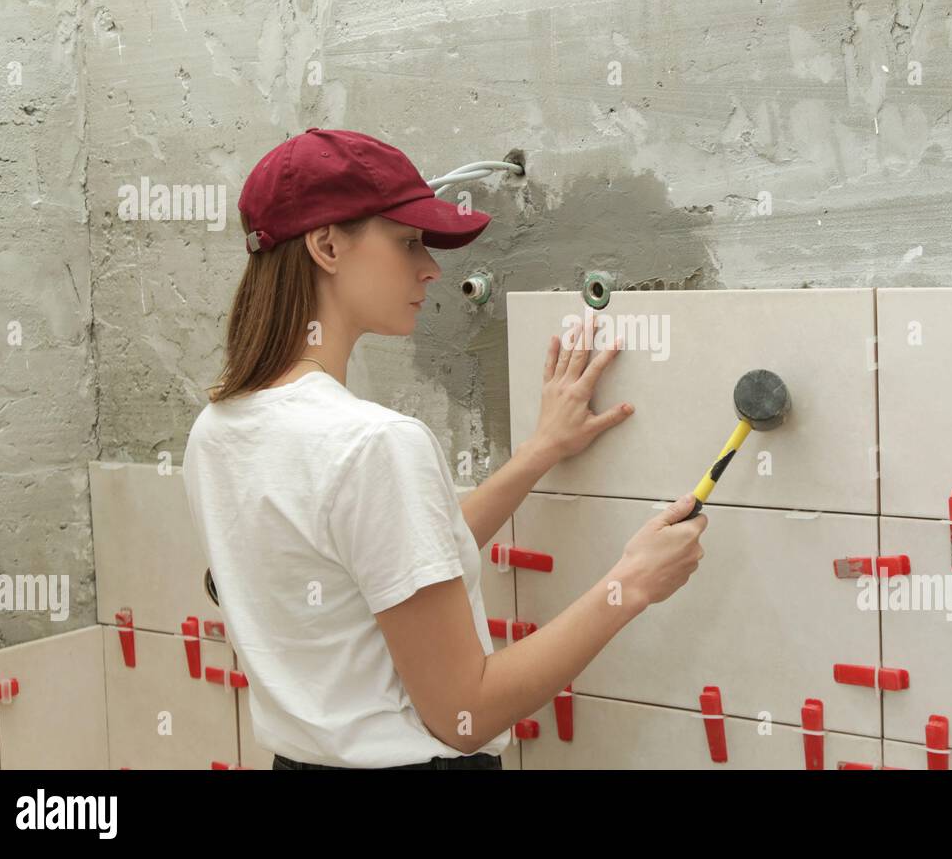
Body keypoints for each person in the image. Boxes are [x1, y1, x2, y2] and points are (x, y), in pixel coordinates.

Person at [181, 128, 708, 770]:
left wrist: (537, 453)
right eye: (408, 242)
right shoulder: (374, 444)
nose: (430, 268)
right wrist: (633, 582)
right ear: (326, 245)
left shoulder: (219, 429)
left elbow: (394, 561)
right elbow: (467, 713)